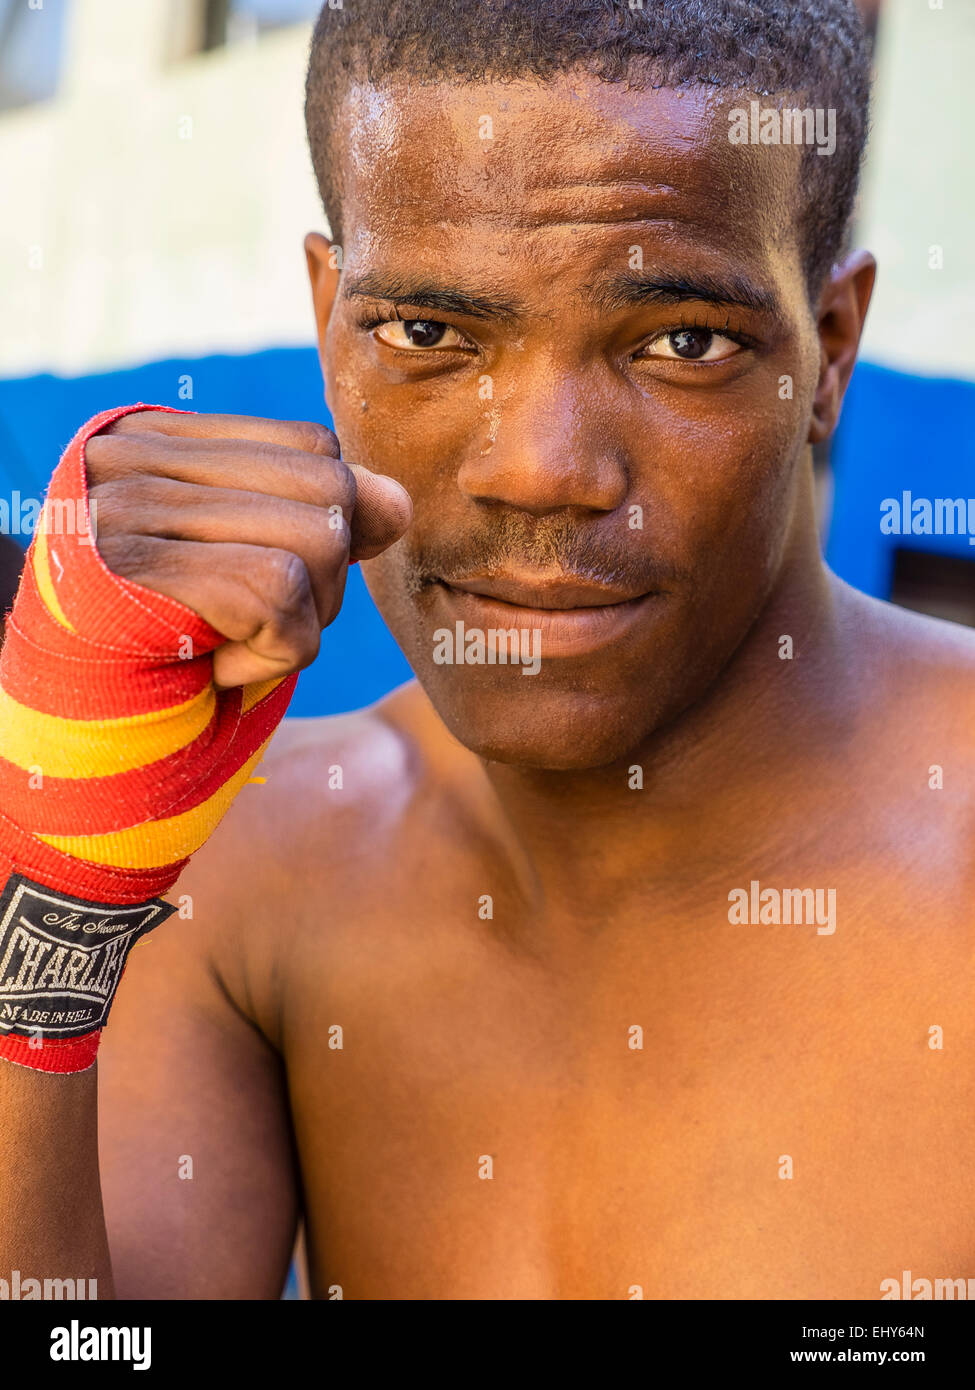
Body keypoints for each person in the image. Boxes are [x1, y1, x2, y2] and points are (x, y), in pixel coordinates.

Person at [2, 0, 973, 1301]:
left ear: (831, 350)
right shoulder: (254, 861)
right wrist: (50, 876)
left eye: (683, 340)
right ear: (328, 317)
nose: (540, 470)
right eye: (427, 335)